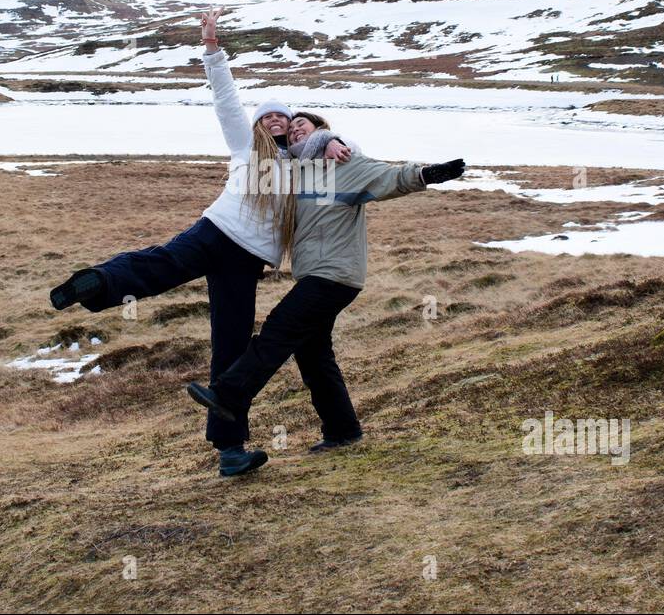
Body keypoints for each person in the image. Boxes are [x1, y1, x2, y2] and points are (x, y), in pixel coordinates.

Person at [48, 7, 353, 476]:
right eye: (268, 115)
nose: (275, 120)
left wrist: (332, 141)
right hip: (214, 233)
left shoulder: (305, 169)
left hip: (246, 263)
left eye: (283, 117)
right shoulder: (244, 145)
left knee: (230, 347)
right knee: (160, 264)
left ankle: (230, 451)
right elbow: (226, 98)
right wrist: (212, 48)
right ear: (257, 124)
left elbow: (342, 162)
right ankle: (94, 283)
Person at [186, 113, 466, 476]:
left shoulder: (344, 163)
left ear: (322, 130)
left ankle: (230, 393)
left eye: (306, 123)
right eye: (294, 125)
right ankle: (342, 430)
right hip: (314, 275)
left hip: (334, 275)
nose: (297, 126)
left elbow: (389, 177)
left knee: (278, 331)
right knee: (313, 353)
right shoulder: (297, 171)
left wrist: (427, 174)